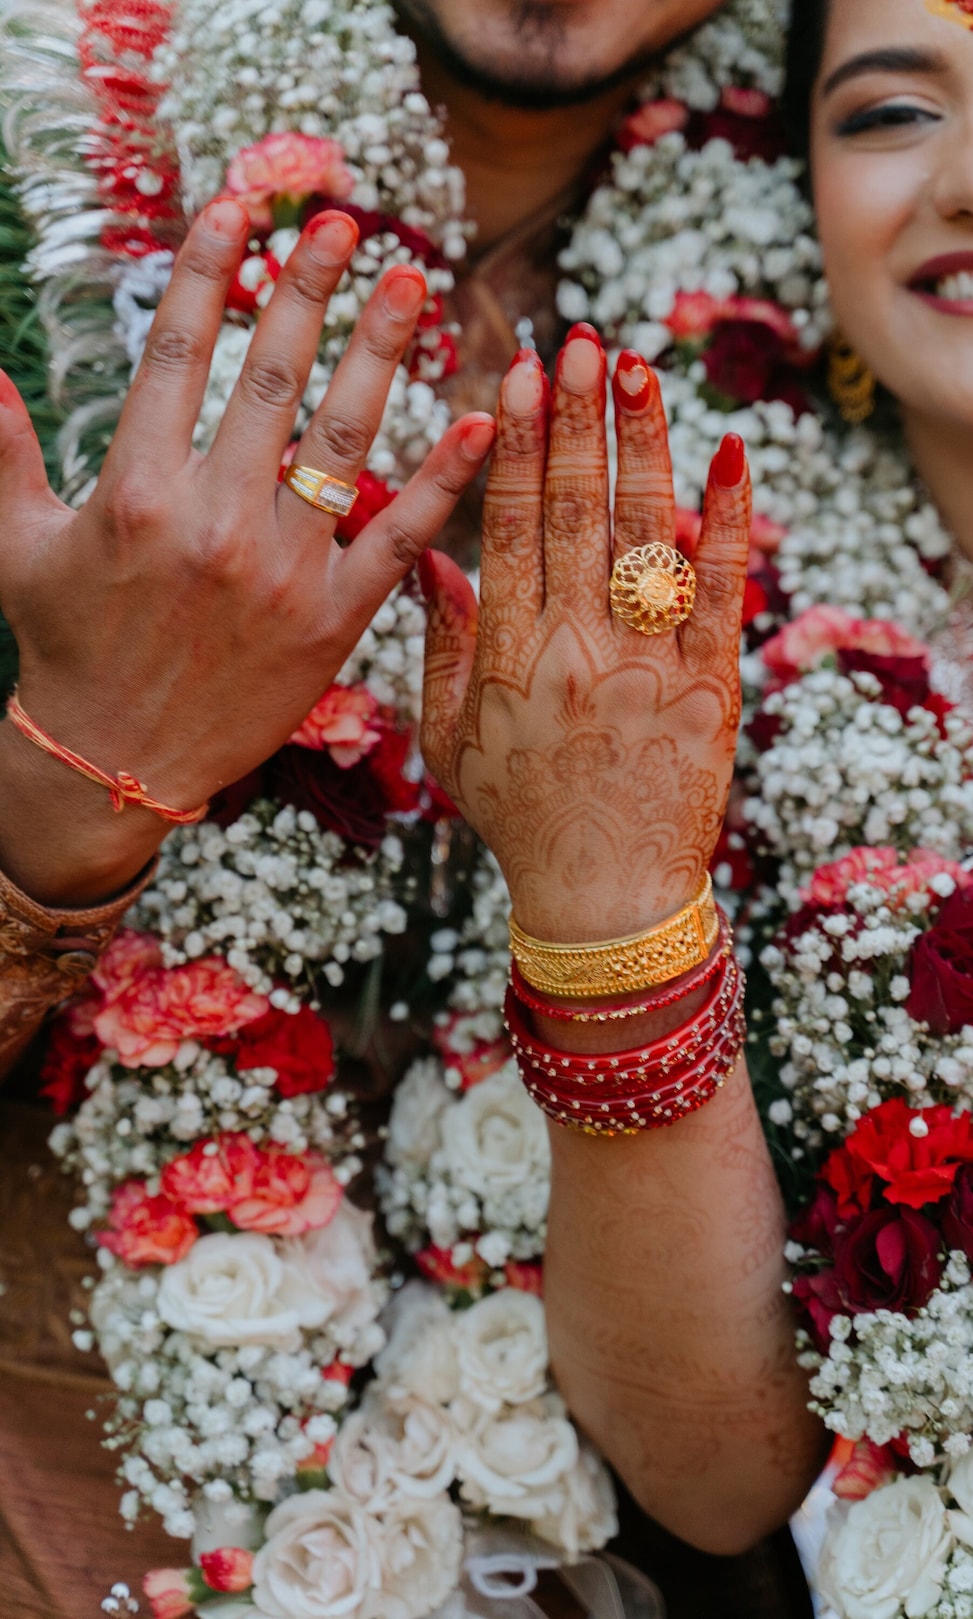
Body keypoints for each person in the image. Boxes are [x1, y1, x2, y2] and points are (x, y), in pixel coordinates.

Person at [0, 1, 821, 1614]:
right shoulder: (47, 168)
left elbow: (722, 1483)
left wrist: (612, 903)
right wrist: (78, 779)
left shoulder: (863, 259)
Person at [412, 0, 973, 1611]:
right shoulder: (686, 703)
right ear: (795, 203)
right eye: (887, 112)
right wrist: (610, 891)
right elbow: (710, 1483)